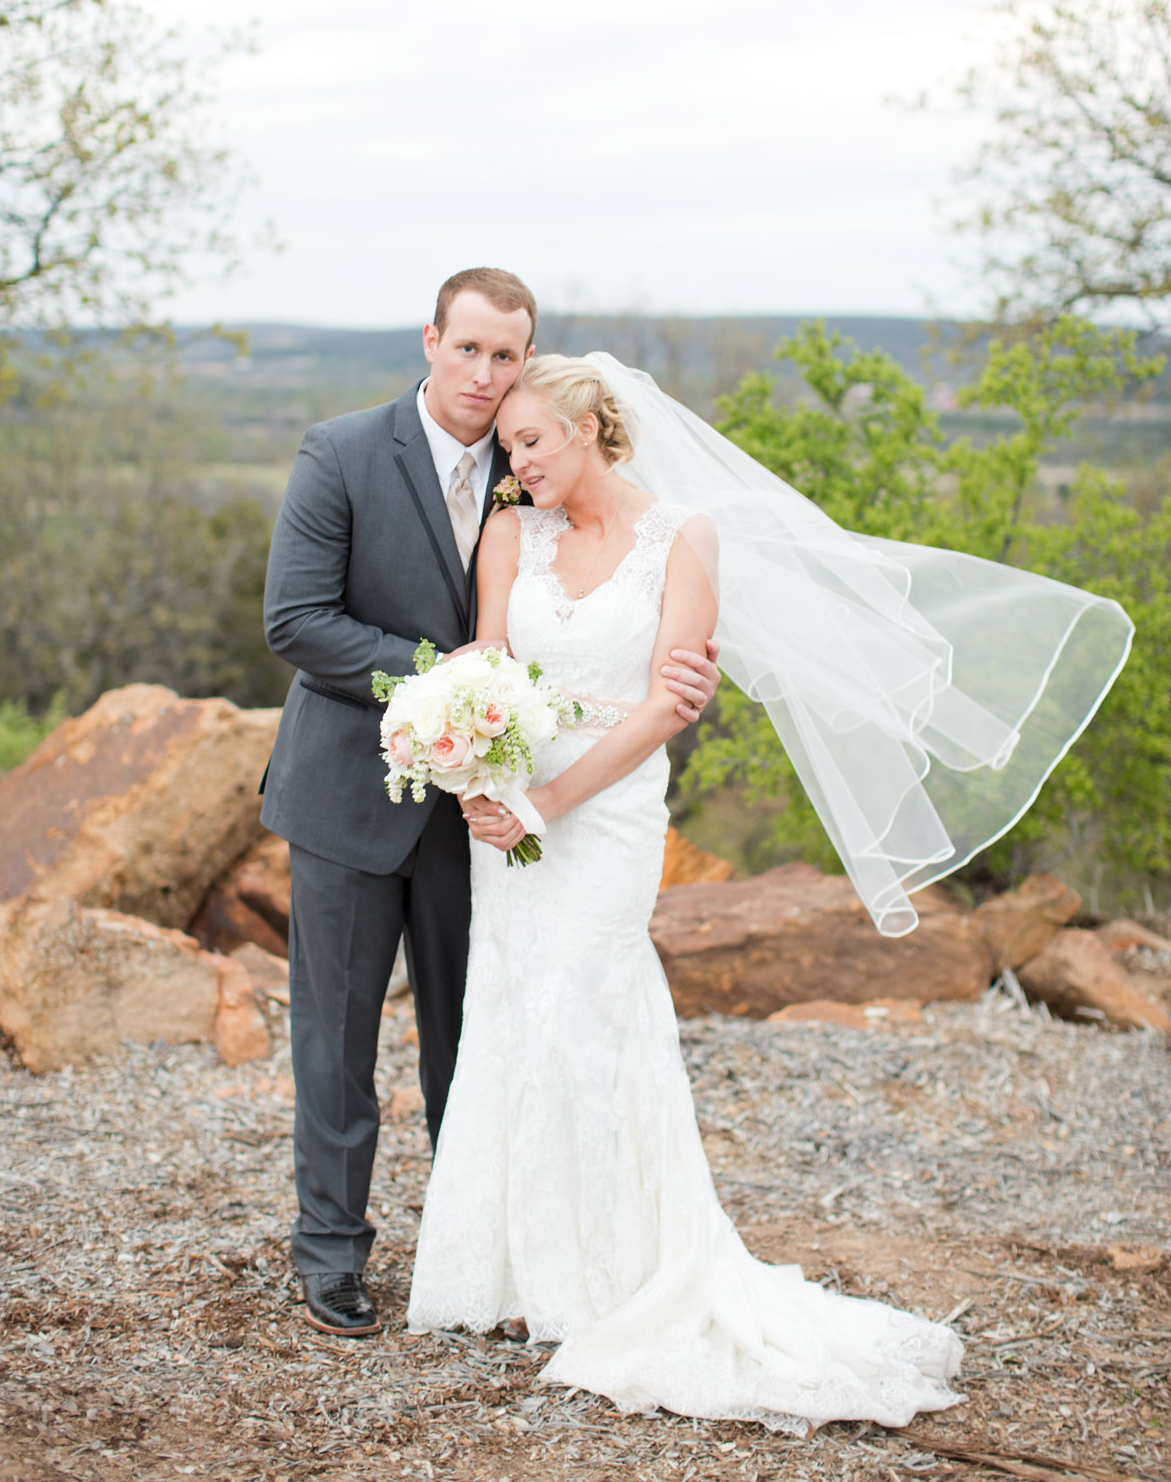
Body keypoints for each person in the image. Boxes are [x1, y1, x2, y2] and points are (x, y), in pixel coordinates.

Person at [407, 351, 1130, 1429]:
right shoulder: (510, 534)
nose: (516, 464)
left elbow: (666, 705)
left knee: (591, 1007)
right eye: (507, 449)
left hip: (603, 815)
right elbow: (486, 667)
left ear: (592, 426)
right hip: (506, 809)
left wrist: (551, 805)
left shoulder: (684, 536)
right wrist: (475, 771)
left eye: (532, 442)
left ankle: (609, 1275)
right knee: (512, 1009)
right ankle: (514, 1277)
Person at [260, 274, 720, 1337]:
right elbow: (296, 622)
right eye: (467, 349)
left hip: (486, 816)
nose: (482, 374)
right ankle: (331, 1253)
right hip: (352, 794)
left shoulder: (531, 480)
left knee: (474, 1039)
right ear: (432, 340)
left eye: (504, 357)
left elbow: (616, 610)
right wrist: (447, 676)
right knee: (335, 1043)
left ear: (530, 366)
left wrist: (663, 681)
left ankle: (492, 1255)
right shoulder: (341, 452)